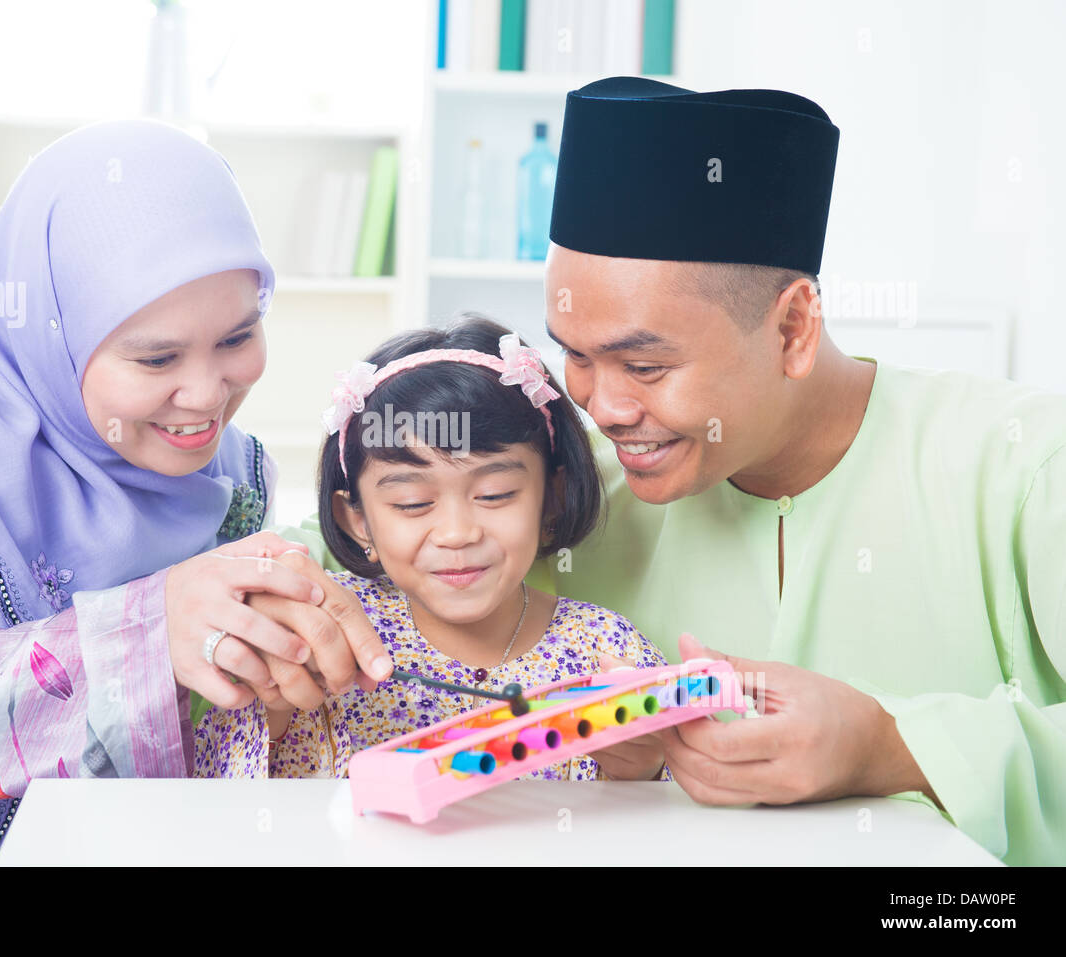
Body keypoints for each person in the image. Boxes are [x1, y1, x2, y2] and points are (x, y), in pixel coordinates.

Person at [255, 78, 1064, 866]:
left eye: (643, 364)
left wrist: (891, 747)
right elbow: (336, 552)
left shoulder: (1024, 466)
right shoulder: (568, 488)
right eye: (573, 354)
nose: (601, 407)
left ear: (791, 328)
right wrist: (232, 591)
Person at [0, 119, 386, 866]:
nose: (206, 396)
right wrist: (144, 635)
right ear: (56, 331)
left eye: (237, 337)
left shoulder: (231, 477)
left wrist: (271, 690)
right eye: (156, 357)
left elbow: (198, 761)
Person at [194, 317, 669, 780]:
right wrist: (273, 708)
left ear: (552, 500)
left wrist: (642, 770)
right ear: (356, 520)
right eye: (413, 502)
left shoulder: (606, 648)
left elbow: (684, 820)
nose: (457, 533)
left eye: (496, 494)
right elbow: (214, 793)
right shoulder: (315, 632)